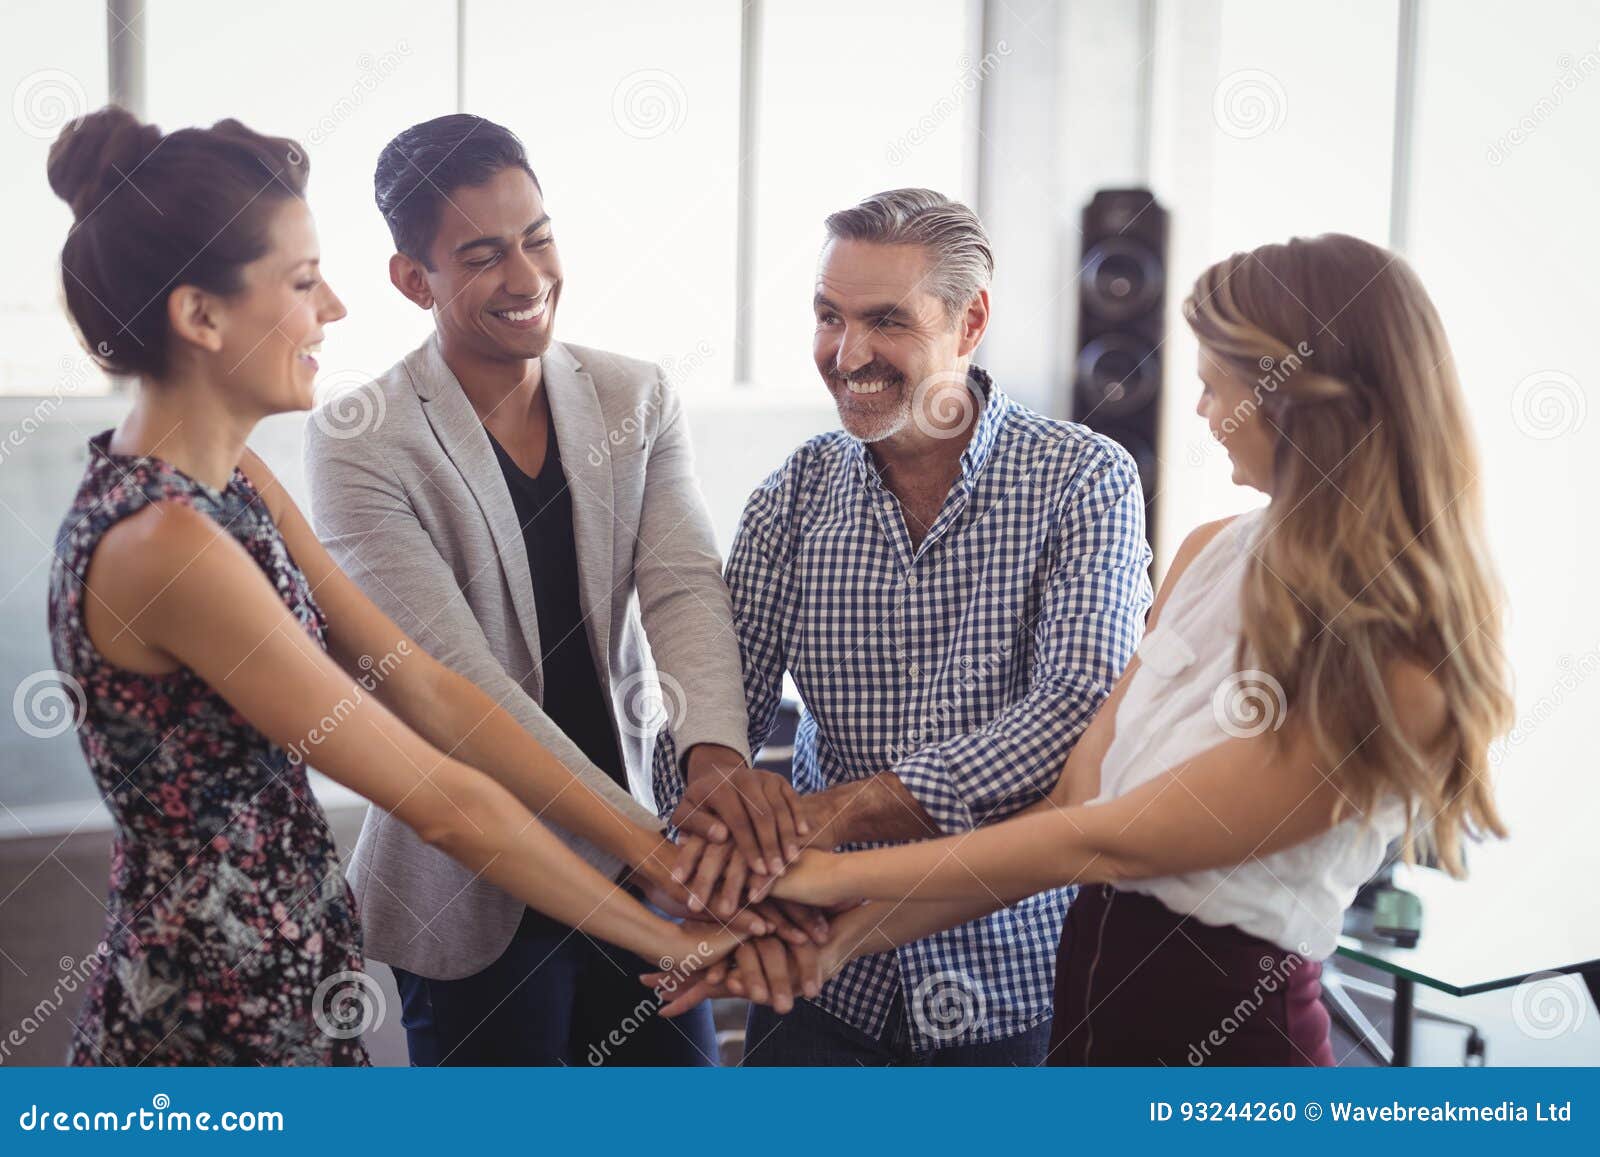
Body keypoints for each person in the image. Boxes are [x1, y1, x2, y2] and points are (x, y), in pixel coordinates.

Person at [660, 232, 1514, 1067]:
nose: (1204, 410)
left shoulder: (1407, 658)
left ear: (1308, 398)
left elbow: (1106, 839)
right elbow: (1065, 809)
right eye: (827, 315)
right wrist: (839, 942)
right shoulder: (1212, 551)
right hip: (1086, 1041)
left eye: (1223, 384)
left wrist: (807, 873)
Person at [44, 106, 741, 1067]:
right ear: (200, 316)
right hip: (215, 1019)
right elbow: (444, 799)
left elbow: (423, 683)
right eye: (300, 281)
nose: (331, 307)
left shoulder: (232, 483)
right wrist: (674, 923)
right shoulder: (170, 541)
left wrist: (669, 876)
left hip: (284, 978)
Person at [302, 114, 820, 1067]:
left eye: (539, 236)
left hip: (641, 869)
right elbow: (455, 687)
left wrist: (715, 767)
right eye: (484, 254)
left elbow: (682, 587)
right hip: (480, 883)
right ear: (414, 279)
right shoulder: (361, 438)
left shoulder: (636, 395)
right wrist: (661, 849)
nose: (529, 277)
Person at [655, 189, 1154, 1065]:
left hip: (1012, 990)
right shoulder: (794, 493)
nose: (848, 355)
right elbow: (711, 696)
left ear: (970, 323)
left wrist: (834, 816)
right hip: (813, 985)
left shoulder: (1083, 479)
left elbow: (1076, 713)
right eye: (827, 316)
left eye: (886, 320)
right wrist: (721, 780)